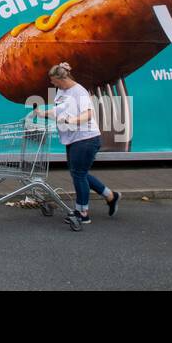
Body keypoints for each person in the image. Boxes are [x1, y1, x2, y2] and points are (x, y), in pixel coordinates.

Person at [35, 63, 121, 224]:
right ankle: (110, 196)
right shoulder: (61, 91)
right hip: (72, 138)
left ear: (63, 78)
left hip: (86, 138)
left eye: (54, 81)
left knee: (79, 174)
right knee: (79, 173)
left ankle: (82, 213)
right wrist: (43, 113)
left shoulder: (79, 91)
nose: (52, 84)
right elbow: (58, 111)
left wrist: (72, 120)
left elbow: (88, 114)